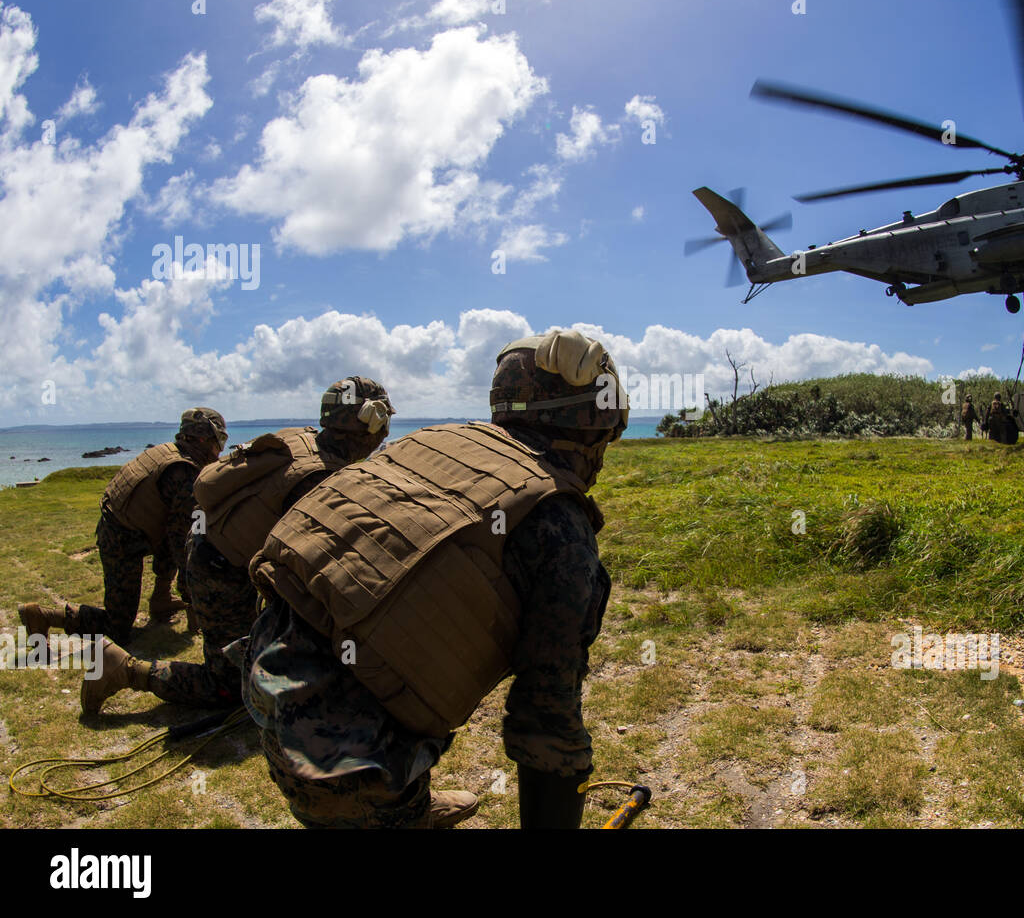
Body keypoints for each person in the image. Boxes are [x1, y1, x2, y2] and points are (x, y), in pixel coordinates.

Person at [243, 329, 626, 829]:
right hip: (341, 764)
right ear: (596, 424)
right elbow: (548, 729)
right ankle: (389, 807)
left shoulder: (433, 443)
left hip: (264, 688)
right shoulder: (559, 524)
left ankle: (402, 803)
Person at [78, 378, 394, 717]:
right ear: (371, 424)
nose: (385, 436)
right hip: (221, 570)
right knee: (228, 686)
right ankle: (124, 669)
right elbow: (312, 567)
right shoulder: (318, 478)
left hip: (218, 551)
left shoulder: (301, 439)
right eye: (383, 425)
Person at [19, 408, 226, 647]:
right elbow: (183, 543)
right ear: (202, 439)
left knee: (172, 539)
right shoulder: (184, 473)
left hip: (129, 527)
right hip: (121, 540)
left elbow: (173, 533)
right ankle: (45, 616)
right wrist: (193, 597)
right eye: (218, 441)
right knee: (118, 626)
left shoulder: (168, 452)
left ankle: (161, 599)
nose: (219, 450)